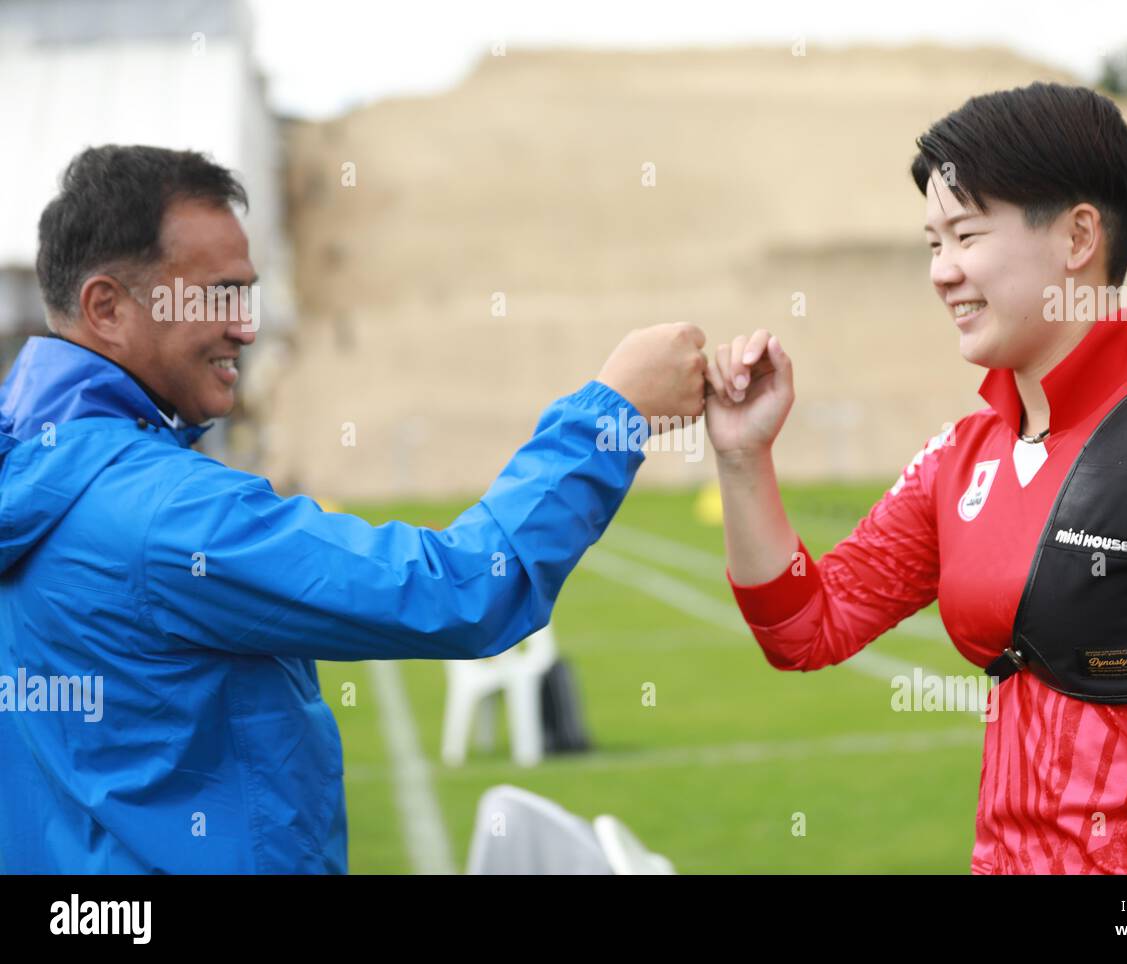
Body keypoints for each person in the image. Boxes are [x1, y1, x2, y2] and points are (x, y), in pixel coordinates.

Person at [0, 144, 708, 872]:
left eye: (248, 293)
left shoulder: (25, 469)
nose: (245, 327)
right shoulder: (165, 517)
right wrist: (614, 415)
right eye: (218, 295)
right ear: (107, 308)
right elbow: (462, 589)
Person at [704, 82, 1127, 874]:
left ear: (1078, 235)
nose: (941, 273)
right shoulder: (965, 454)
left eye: (966, 235)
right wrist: (744, 458)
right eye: (931, 244)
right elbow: (808, 627)